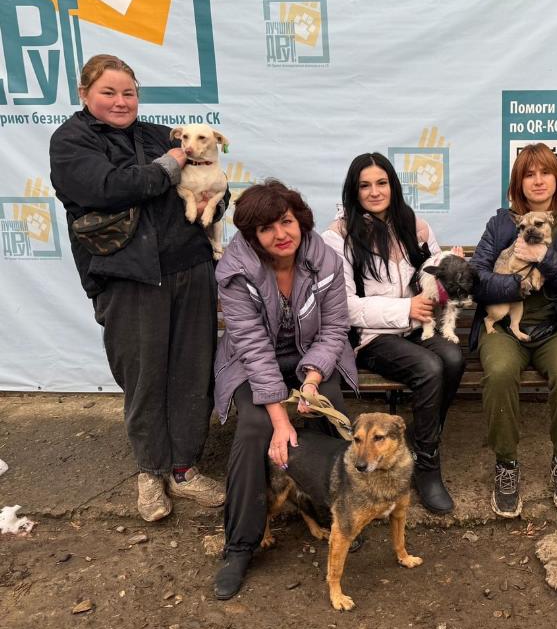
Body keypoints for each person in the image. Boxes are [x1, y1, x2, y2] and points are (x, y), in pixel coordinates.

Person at [49, 54, 226, 523]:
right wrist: (169, 167)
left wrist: (218, 193)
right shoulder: (71, 142)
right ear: (85, 94)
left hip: (189, 269)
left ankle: (185, 469)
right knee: (145, 377)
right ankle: (151, 473)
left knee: (192, 371)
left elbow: (204, 176)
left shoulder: (156, 133)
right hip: (128, 278)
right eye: (109, 92)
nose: (121, 101)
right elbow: (108, 188)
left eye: (129, 92)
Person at [212, 180, 357, 599]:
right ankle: (240, 545)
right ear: (251, 237)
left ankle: (340, 516)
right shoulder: (236, 271)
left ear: (300, 220)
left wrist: (311, 380)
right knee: (255, 428)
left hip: (314, 356)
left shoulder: (323, 258)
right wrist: (280, 419)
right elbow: (253, 350)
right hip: (254, 363)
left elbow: (334, 329)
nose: (281, 235)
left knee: (332, 413)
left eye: (287, 222)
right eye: (267, 229)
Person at [323, 153, 463, 515]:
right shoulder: (338, 236)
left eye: (381, 183)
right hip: (370, 336)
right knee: (429, 369)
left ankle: (417, 440)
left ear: (393, 185)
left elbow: (433, 277)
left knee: (452, 358)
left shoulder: (414, 225)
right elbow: (344, 305)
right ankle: (428, 469)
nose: (374, 192)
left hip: (418, 324)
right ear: (353, 191)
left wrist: (451, 269)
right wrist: (403, 309)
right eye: (365, 185)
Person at [471, 143, 557, 517]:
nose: (538, 180)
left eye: (545, 172)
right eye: (529, 174)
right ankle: (506, 465)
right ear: (518, 182)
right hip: (505, 331)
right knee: (498, 373)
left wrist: (546, 258)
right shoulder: (501, 223)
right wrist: (517, 286)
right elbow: (477, 280)